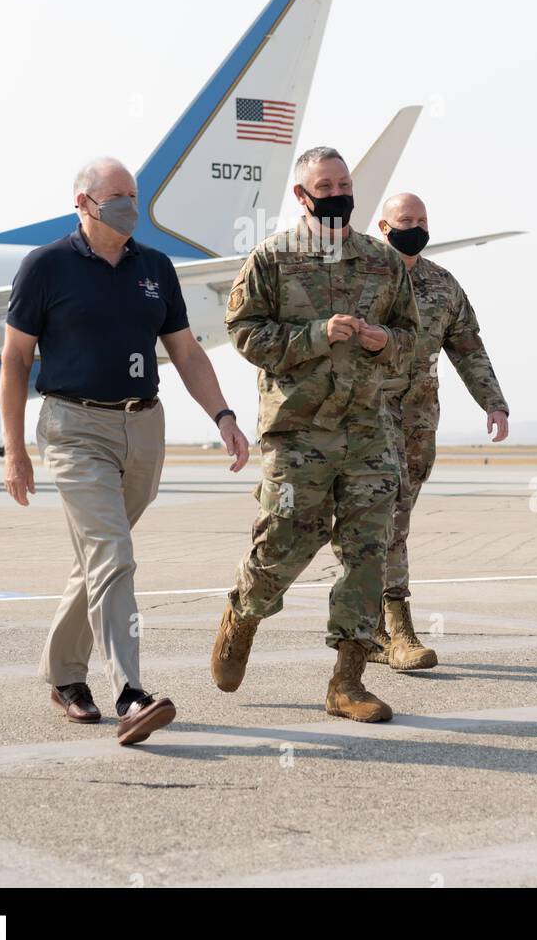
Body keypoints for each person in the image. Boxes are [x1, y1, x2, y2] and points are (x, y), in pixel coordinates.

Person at [1, 156, 249, 746]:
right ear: (83, 203)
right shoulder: (46, 266)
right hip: (73, 427)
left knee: (98, 559)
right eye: (116, 196)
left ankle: (63, 677)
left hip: (144, 426)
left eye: (133, 195)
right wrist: (15, 448)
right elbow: (14, 360)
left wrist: (224, 414)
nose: (129, 206)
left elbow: (186, 352)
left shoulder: (155, 268)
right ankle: (131, 692)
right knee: (114, 555)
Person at [210, 147, 419, 722]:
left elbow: (412, 336)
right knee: (283, 545)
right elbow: (243, 332)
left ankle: (347, 681)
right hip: (299, 432)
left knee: (366, 555)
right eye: (324, 185)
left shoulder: (382, 262)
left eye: (344, 182)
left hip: (369, 429)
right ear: (301, 196)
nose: (337, 192)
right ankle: (243, 616)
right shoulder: (272, 258)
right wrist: (313, 336)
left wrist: (385, 342)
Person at [371, 191, 509, 670]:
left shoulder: (443, 284)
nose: (416, 226)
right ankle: (393, 626)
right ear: (383, 228)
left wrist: (493, 402)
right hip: (363, 415)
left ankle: (376, 627)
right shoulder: (359, 276)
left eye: (422, 219)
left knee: (396, 517)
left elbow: (468, 348)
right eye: (405, 219)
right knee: (376, 519)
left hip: (418, 421)